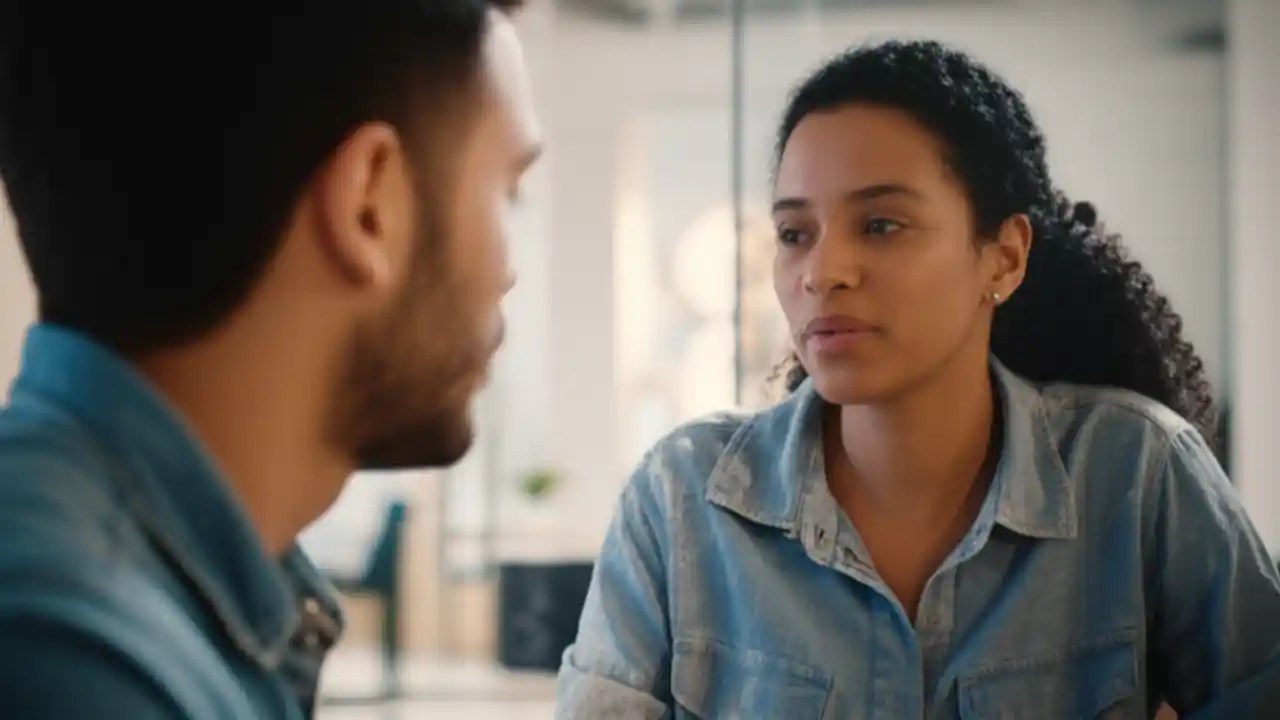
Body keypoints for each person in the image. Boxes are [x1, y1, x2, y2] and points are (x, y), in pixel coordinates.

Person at [557, 40, 1280, 719]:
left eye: (880, 225)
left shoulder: (1136, 472)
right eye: (793, 233)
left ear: (1003, 257)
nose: (822, 271)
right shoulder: (682, 499)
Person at [0, 1, 540, 717]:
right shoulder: (75, 663)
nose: (510, 271)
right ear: (368, 204)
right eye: (508, 189)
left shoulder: (142, 601)